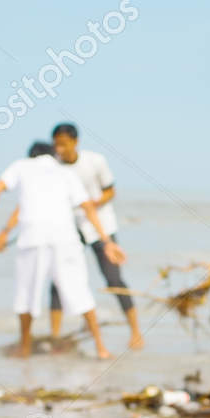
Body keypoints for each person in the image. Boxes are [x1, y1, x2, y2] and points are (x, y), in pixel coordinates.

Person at [0, 141, 124, 359]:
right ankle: (101, 348)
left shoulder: (21, 166)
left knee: (26, 296)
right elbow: (87, 208)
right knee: (80, 292)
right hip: (66, 239)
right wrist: (107, 241)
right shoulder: (65, 172)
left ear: (31, 156)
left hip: (32, 238)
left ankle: (24, 349)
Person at [47, 123, 146, 350]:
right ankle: (54, 336)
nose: (60, 148)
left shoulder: (95, 161)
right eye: (56, 144)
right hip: (70, 229)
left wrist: (92, 204)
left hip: (101, 226)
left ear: (75, 142)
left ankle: (136, 332)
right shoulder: (54, 167)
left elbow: (110, 191)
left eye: (64, 143)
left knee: (113, 279)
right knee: (58, 281)